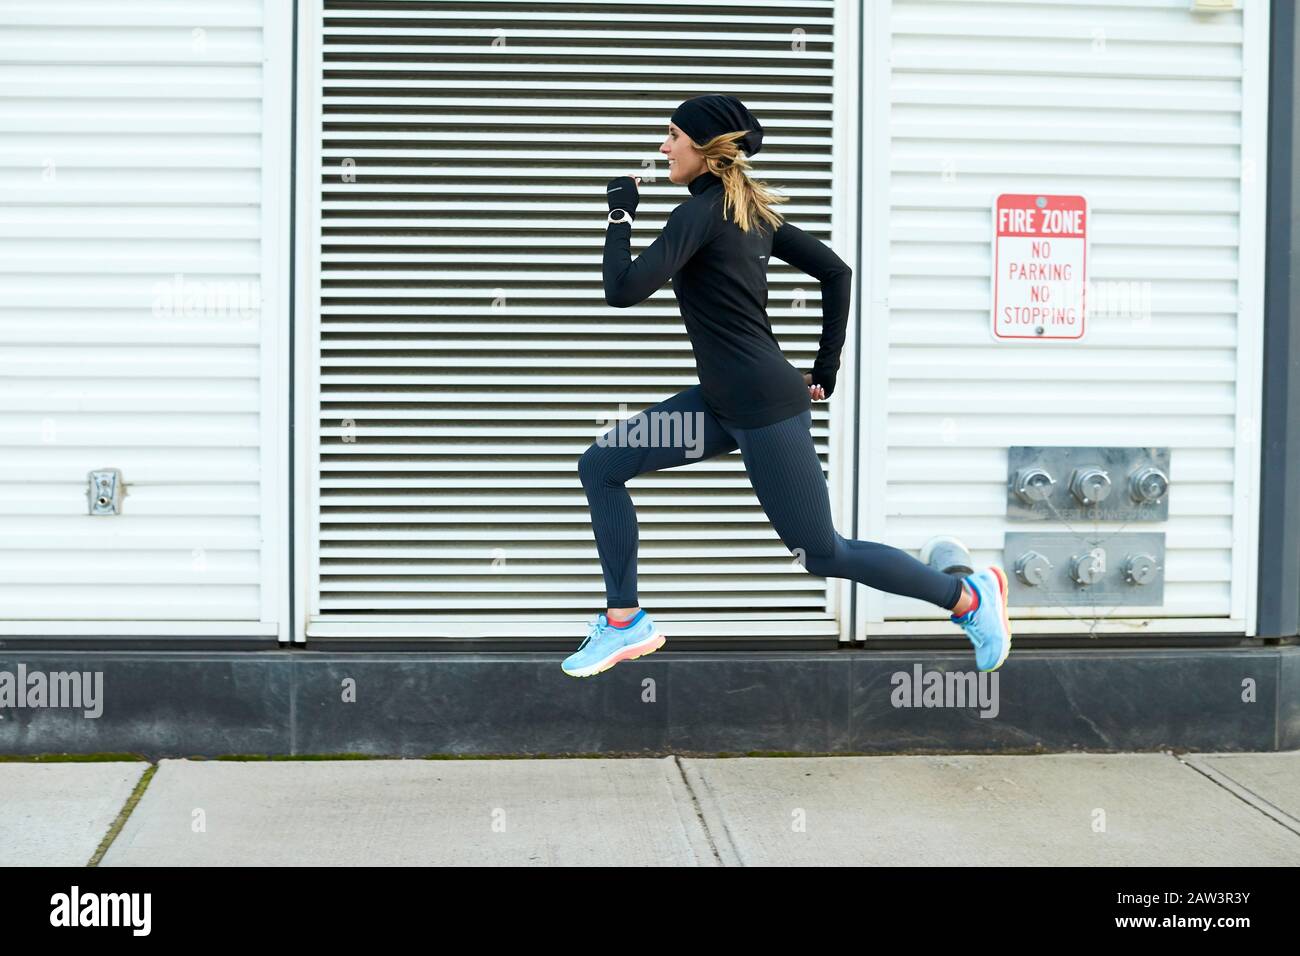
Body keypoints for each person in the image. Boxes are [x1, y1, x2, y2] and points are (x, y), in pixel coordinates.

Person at [563, 94, 1011, 678]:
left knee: (823, 552)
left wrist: (621, 215)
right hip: (723, 403)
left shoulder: (700, 214)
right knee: (601, 465)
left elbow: (622, 290)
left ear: (704, 147)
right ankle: (624, 621)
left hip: (762, 408)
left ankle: (969, 598)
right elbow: (836, 272)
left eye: (672, 135)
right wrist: (825, 368)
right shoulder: (745, 213)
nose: (663, 146)